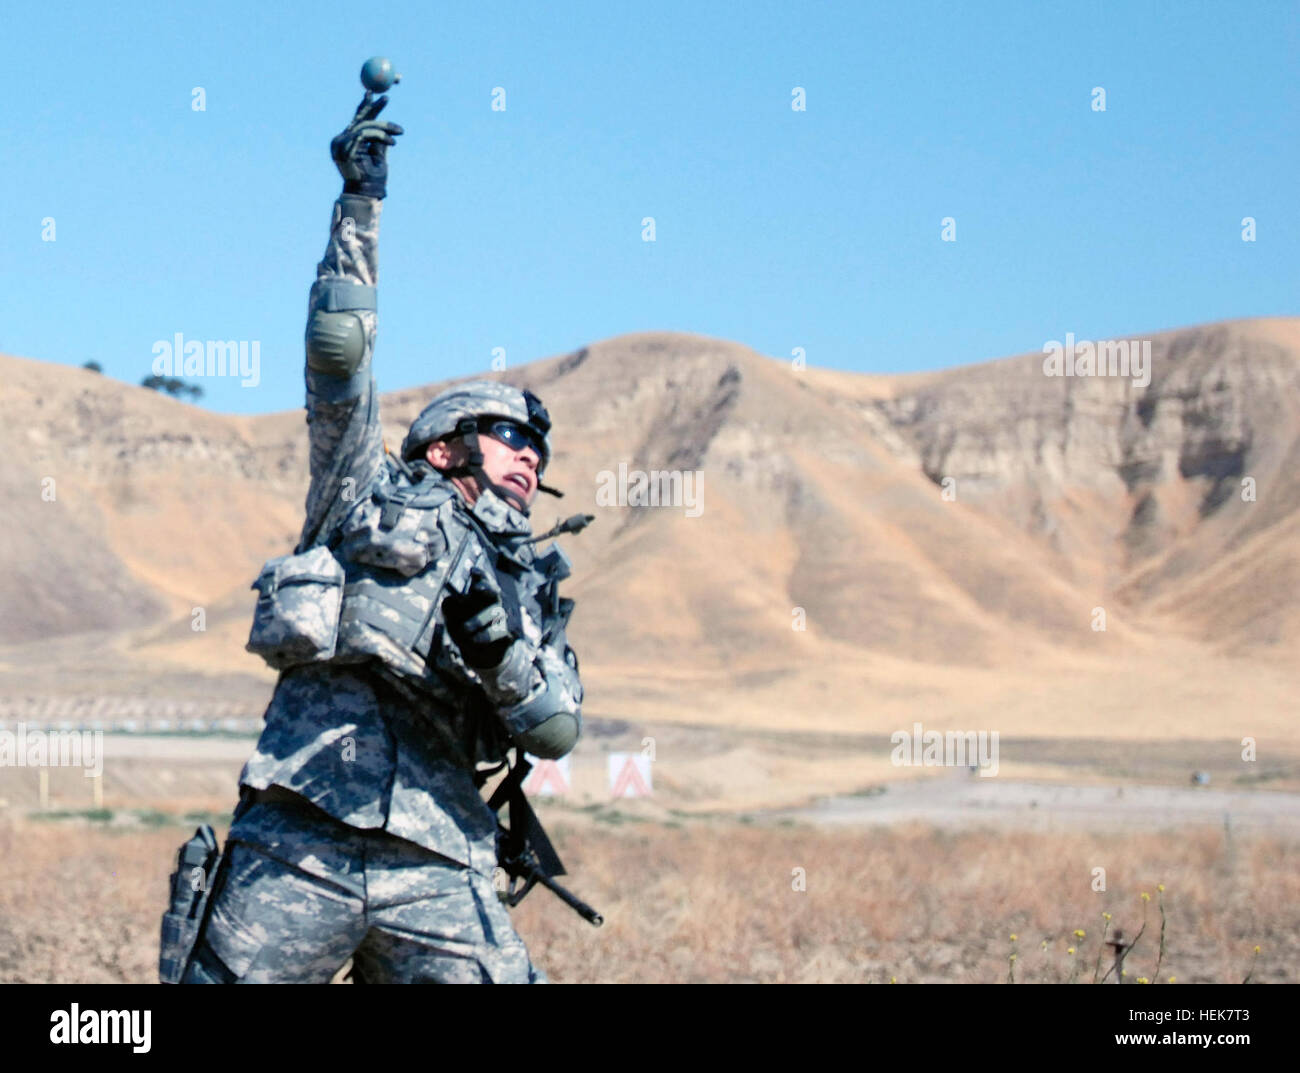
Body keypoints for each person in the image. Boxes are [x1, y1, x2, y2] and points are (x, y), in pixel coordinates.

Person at [164, 85, 584, 985]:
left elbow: (557, 729)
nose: (529, 459)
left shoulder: (532, 578)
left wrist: (498, 646)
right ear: (444, 443)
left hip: (441, 859)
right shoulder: (361, 491)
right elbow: (337, 361)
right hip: (301, 835)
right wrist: (359, 207)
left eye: (539, 450)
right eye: (510, 435)